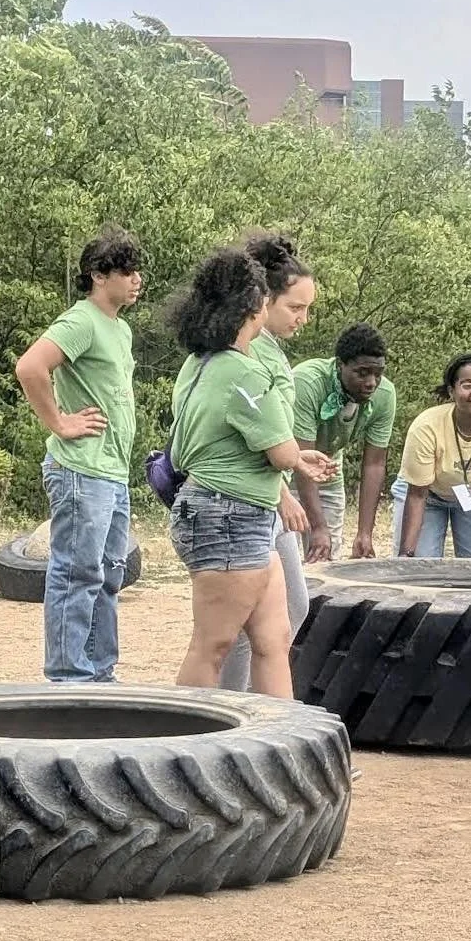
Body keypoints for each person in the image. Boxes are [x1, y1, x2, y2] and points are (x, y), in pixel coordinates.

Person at [166, 247, 333, 698]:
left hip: (238, 513)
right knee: (213, 644)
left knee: (274, 636)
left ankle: (280, 735)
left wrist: (298, 459)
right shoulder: (246, 373)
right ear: (252, 306)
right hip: (228, 515)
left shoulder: (200, 362)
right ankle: (190, 735)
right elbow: (280, 451)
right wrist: (296, 458)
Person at [15, 226, 142, 682]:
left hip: (112, 471)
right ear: (97, 275)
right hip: (81, 469)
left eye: (137, 270)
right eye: (125, 270)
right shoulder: (81, 320)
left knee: (108, 574)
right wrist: (59, 422)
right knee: (76, 573)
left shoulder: (120, 328)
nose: (136, 279)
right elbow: (30, 366)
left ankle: (100, 675)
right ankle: (68, 679)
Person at [218, 233, 317, 692]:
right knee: (254, 620)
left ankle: (250, 712)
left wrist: (293, 466)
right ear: (264, 300)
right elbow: (246, 435)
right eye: (295, 307)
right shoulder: (251, 351)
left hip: (267, 491)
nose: (303, 318)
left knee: (278, 615)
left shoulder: (270, 348)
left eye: (307, 308)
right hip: (252, 496)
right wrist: (283, 495)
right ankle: (229, 711)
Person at [393, 353, 471, 559]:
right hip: (425, 494)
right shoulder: (426, 426)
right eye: (468, 385)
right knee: (421, 565)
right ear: (451, 390)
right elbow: (417, 495)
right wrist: (406, 556)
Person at [293, 323, 396, 561]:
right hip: (283, 472)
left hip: (328, 471)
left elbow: (374, 464)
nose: (371, 382)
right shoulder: (307, 382)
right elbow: (303, 460)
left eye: (378, 373)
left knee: (324, 558)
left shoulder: (384, 395)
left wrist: (364, 533)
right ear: (341, 365)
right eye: (362, 373)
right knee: (281, 560)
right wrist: (318, 527)